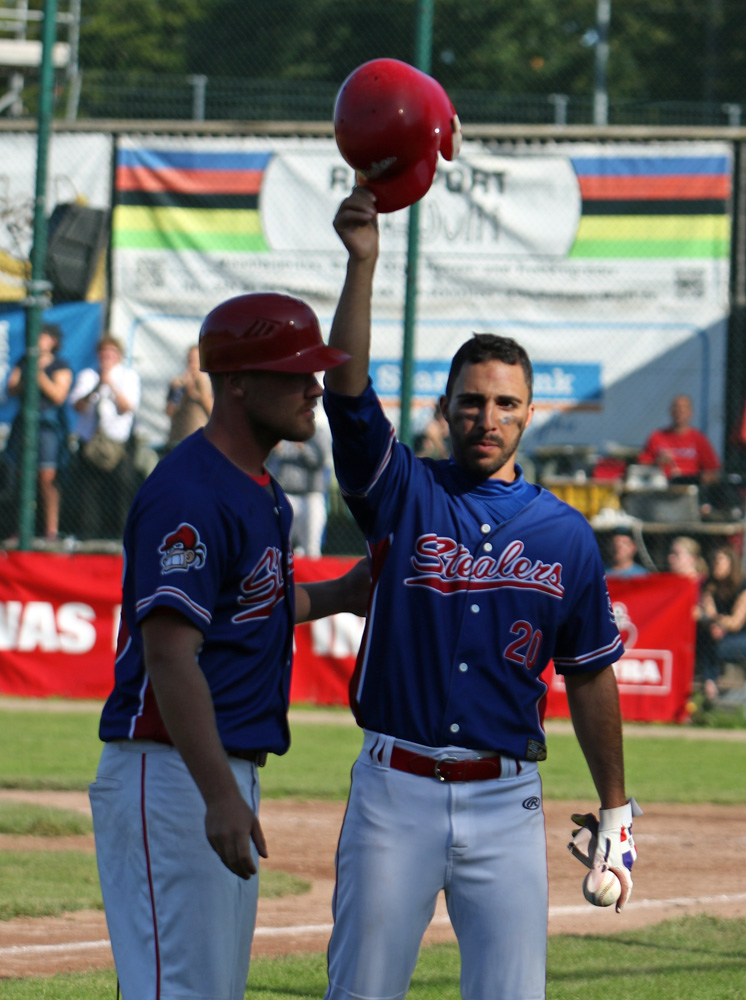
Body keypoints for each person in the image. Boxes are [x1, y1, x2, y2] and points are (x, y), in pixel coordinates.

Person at [321, 187, 640, 1000]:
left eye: (504, 403)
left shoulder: (565, 534)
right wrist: (363, 264)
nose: (486, 417)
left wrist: (615, 810)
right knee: (362, 990)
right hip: (395, 790)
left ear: (531, 413)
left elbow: (591, 673)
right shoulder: (402, 493)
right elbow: (349, 400)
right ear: (444, 410)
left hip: (506, 800)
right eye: (471, 401)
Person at [88, 292, 368, 1000]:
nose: (314, 387)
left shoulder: (261, 490)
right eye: (296, 372)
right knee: (177, 990)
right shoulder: (191, 491)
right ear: (237, 381)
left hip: (206, 770)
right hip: (172, 769)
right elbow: (169, 655)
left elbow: (252, 607)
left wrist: (341, 593)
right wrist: (218, 793)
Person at [66, 334, 141, 540]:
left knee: (123, 486)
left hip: (118, 441)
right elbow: (77, 406)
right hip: (90, 440)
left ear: (118, 355)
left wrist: (112, 386)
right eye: (103, 352)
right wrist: (98, 386)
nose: (107, 356)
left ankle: (121, 534)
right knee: (89, 489)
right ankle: (89, 534)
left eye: (111, 352)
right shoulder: (88, 375)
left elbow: (127, 408)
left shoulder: (129, 376)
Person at [5, 323, 72, 540]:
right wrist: (28, 373)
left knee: (47, 479)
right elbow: (12, 387)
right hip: (24, 425)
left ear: (52, 341)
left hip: (48, 428)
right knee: (22, 476)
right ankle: (22, 530)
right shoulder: (23, 361)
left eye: (42, 336)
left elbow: (58, 395)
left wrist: (38, 374)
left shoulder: (60, 366)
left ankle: (51, 531)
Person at [266, 416, 332, 557]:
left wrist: (302, 447)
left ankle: (313, 577)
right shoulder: (280, 431)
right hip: (286, 494)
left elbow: (319, 461)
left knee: (311, 547)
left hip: (310, 495)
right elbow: (270, 464)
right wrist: (274, 449)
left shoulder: (317, 433)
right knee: (281, 543)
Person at [697, 544, 746, 703]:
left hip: (740, 637)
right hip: (717, 635)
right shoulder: (709, 585)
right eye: (712, 560)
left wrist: (719, 623)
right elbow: (709, 613)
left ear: (731, 563)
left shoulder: (743, 586)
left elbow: (736, 623)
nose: (714, 564)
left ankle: (710, 680)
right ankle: (709, 682)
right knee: (705, 636)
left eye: (719, 560)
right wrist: (715, 624)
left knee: (715, 644)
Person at [638, 393, 720, 485]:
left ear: (691, 413)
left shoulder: (699, 439)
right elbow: (642, 465)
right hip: (661, 485)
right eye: (676, 408)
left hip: (689, 486)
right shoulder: (657, 436)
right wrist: (657, 462)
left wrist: (699, 479)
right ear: (671, 411)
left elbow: (712, 471)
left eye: (684, 408)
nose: (680, 412)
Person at [164, 344, 213, 450]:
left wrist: (201, 394)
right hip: (177, 439)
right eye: (190, 360)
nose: (192, 364)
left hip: (198, 440)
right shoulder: (177, 382)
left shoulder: (209, 382)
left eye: (196, 360)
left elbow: (213, 412)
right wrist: (180, 391)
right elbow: (169, 411)